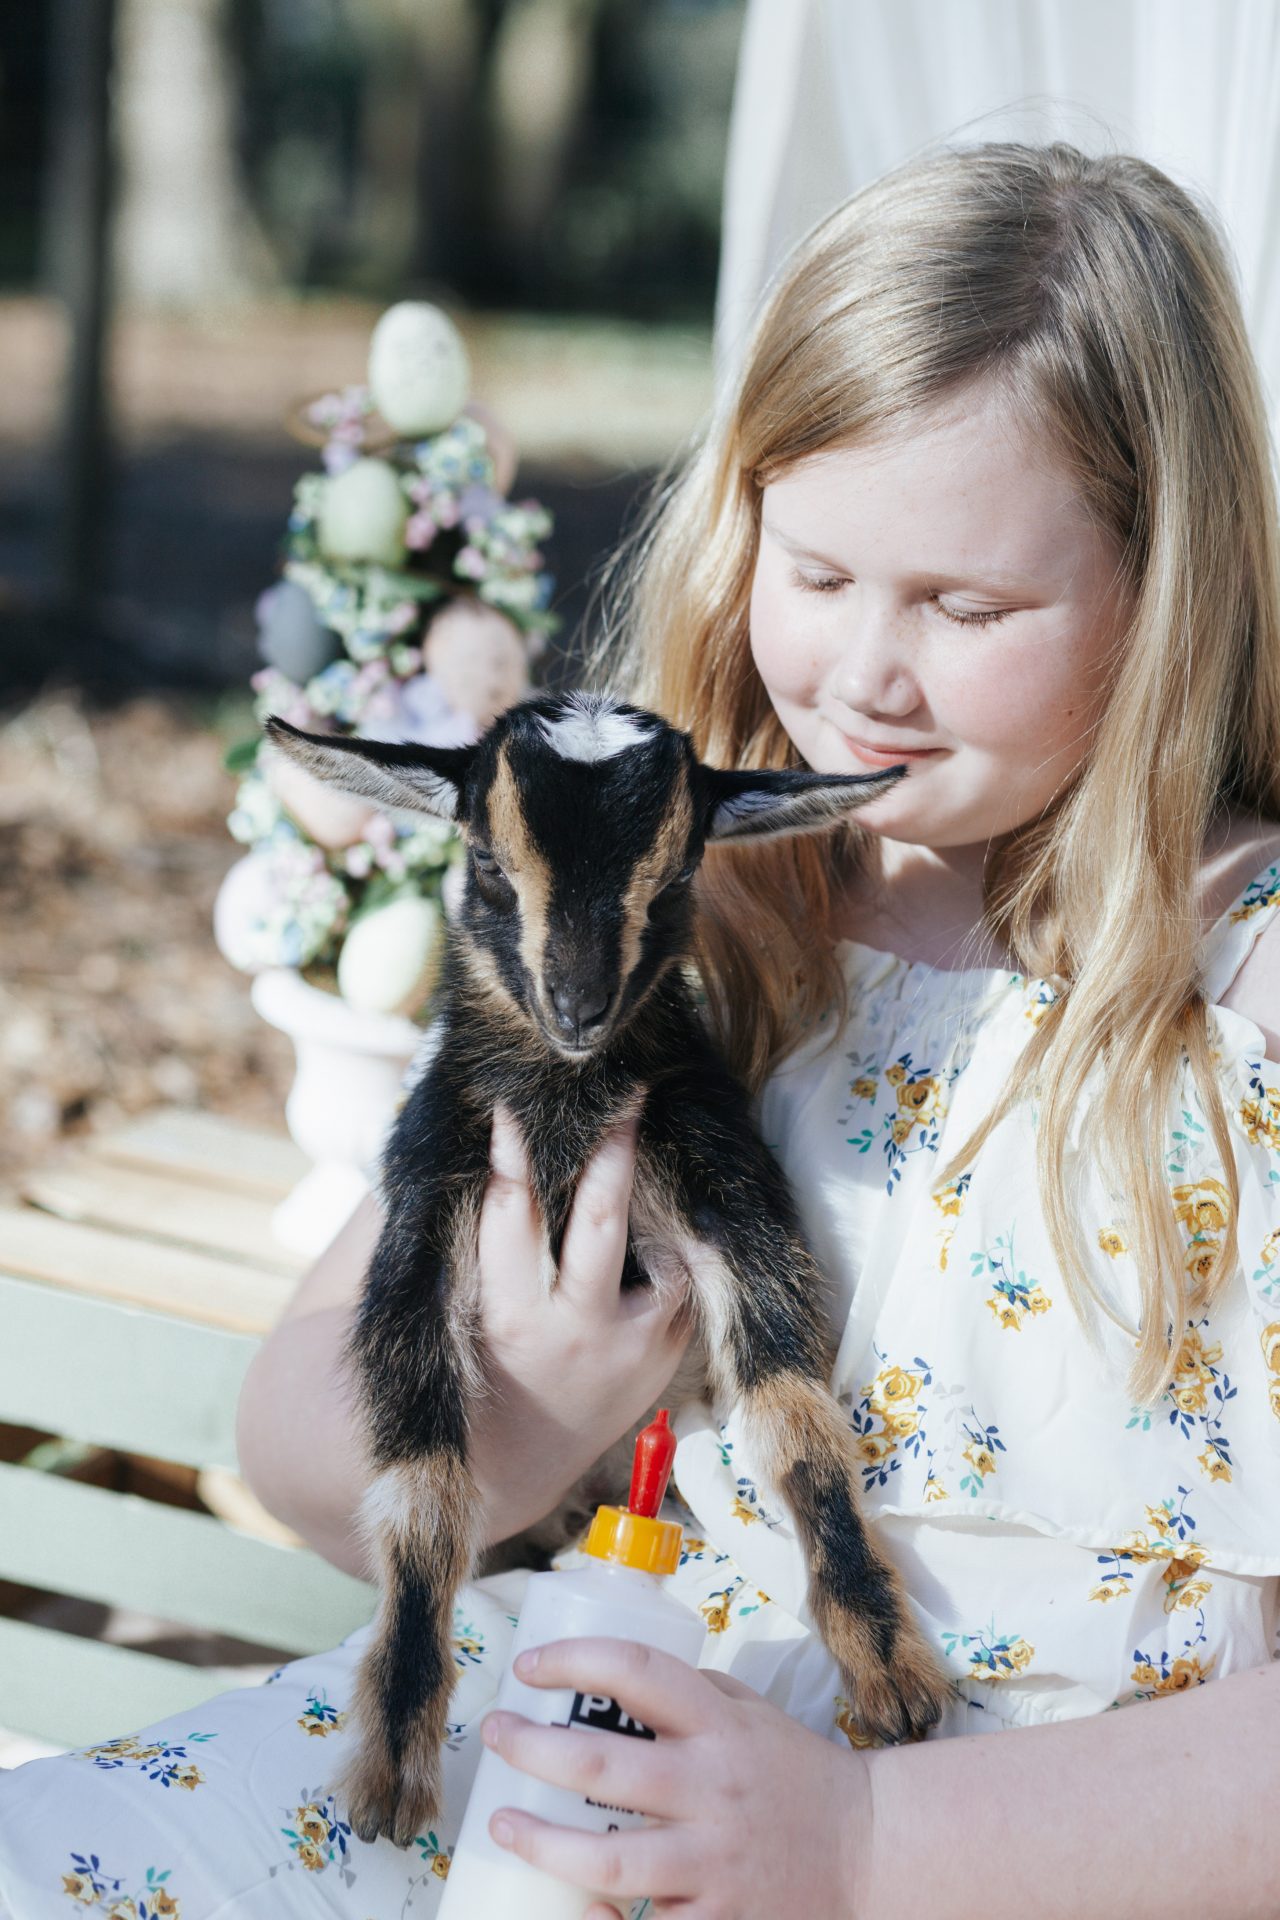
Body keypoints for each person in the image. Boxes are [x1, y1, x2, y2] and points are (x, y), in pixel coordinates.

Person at [3, 137, 1280, 1919]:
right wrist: (515, 1413)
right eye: (816, 571)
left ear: (1169, 593)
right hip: (567, 1728)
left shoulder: (1243, 1002)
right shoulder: (695, 912)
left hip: (1003, 1853)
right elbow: (294, 1431)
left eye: (967, 607)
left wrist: (862, 1845)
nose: (860, 674)